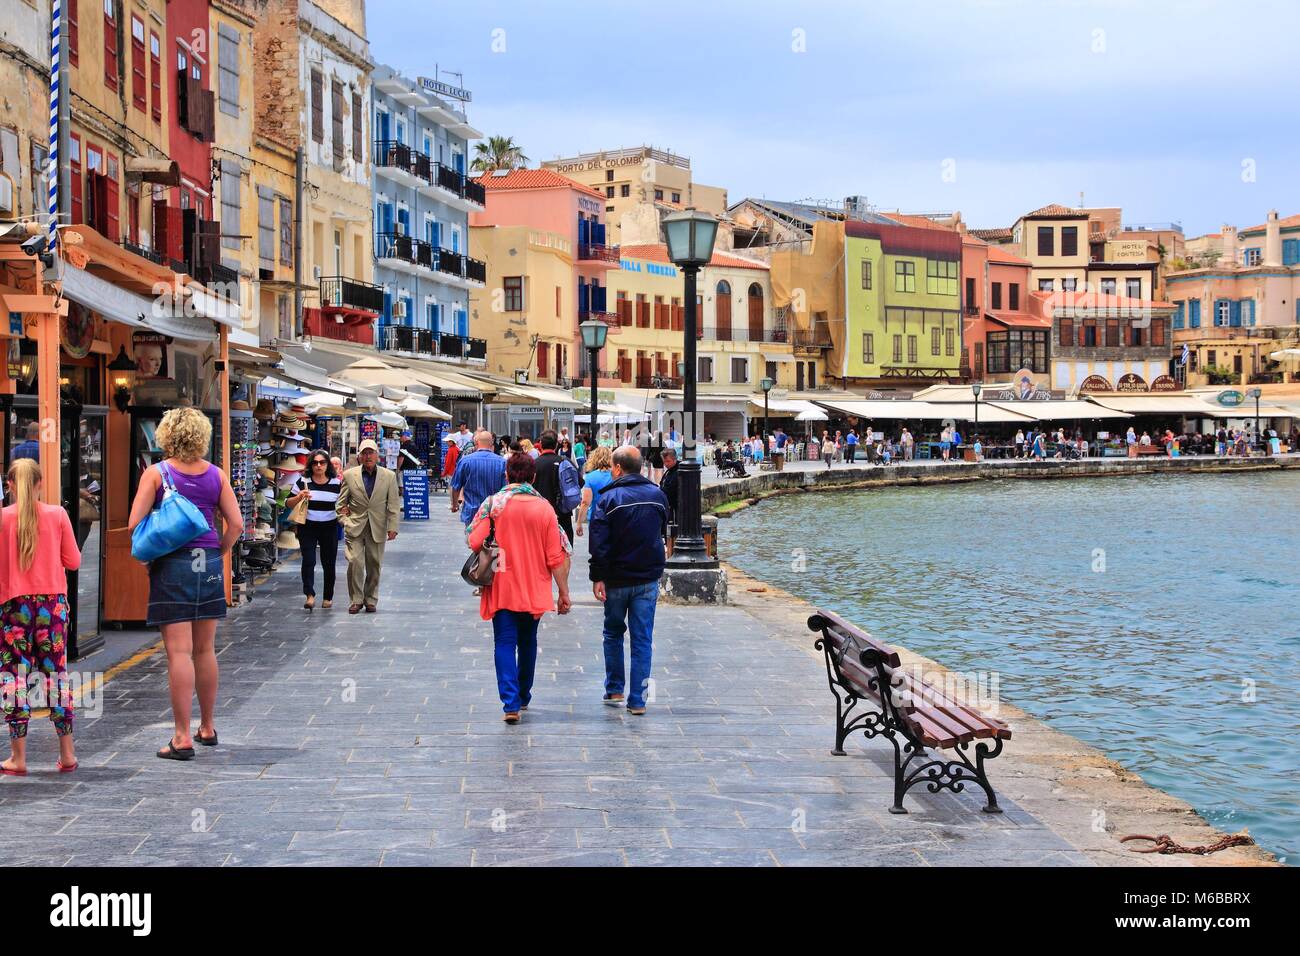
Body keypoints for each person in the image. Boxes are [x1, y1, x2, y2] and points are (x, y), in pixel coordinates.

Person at [127, 407, 243, 761]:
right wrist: (218, 551)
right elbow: (237, 524)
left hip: (173, 564)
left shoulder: (156, 474)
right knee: (205, 650)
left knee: (179, 652)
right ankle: (207, 727)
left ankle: (181, 736)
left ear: (167, 435)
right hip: (207, 563)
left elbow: (134, 524)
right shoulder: (217, 475)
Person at [467, 453, 572, 723]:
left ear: (506, 475)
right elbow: (555, 556)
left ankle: (510, 704)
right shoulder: (545, 508)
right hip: (534, 585)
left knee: (504, 642)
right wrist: (563, 592)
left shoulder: (494, 504)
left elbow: (474, 541)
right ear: (533, 477)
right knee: (528, 641)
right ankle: (523, 695)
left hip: (502, 582)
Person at [0, 459, 81, 774]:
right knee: (56, 677)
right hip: (52, 609)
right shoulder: (57, 515)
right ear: (40, 484)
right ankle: (68, 754)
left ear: (9, 485)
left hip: (14, 608)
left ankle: (18, 758)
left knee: (14, 679)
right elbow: (73, 561)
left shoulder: (3, 518)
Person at [589, 446, 669, 716]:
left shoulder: (608, 499)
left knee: (613, 632)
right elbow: (662, 529)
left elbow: (598, 544)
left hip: (616, 578)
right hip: (647, 576)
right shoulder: (658, 495)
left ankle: (615, 689)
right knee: (642, 639)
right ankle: (638, 701)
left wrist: (597, 576)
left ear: (618, 468)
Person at [335, 438, 401, 615]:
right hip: (355, 526)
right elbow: (340, 504)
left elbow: (393, 504)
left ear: (377, 455)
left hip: (377, 526)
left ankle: (370, 599)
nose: (368, 456)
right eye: (364, 453)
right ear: (359, 457)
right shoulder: (350, 475)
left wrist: (393, 527)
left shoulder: (389, 476)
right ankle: (356, 600)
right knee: (355, 562)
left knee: (374, 564)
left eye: (371, 453)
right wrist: (345, 520)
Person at [286, 450, 341, 610]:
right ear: (310, 465)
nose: (318, 466)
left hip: (329, 526)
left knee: (329, 562)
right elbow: (287, 503)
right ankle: (309, 595)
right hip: (308, 526)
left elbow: (343, 504)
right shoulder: (303, 481)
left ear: (327, 464)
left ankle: (328, 597)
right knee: (309, 560)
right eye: (315, 462)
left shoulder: (336, 484)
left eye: (322, 462)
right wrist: (299, 497)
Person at [451, 430, 508, 532]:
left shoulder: (465, 461)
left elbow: (456, 486)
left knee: (473, 539)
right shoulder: (502, 462)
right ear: (491, 443)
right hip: (494, 512)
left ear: (476, 443)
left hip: (472, 512)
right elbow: (506, 489)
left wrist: (454, 505)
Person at [532, 429, 579, 544]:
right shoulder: (565, 462)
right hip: (562, 514)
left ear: (541, 444)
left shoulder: (533, 464)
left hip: (539, 515)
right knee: (564, 549)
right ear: (556, 445)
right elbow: (578, 483)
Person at [575, 446, 615, 538]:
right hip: (613, 517)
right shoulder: (616, 475)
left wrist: (579, 523)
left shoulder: (590, 477)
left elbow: (585, 503)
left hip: (596, 518)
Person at [658, 447, 680, 526]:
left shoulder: (679, 471)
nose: (666, 464)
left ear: (675, 459)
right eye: (664, 462)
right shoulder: (669, 471)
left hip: (675, 506)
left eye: (668, 461)